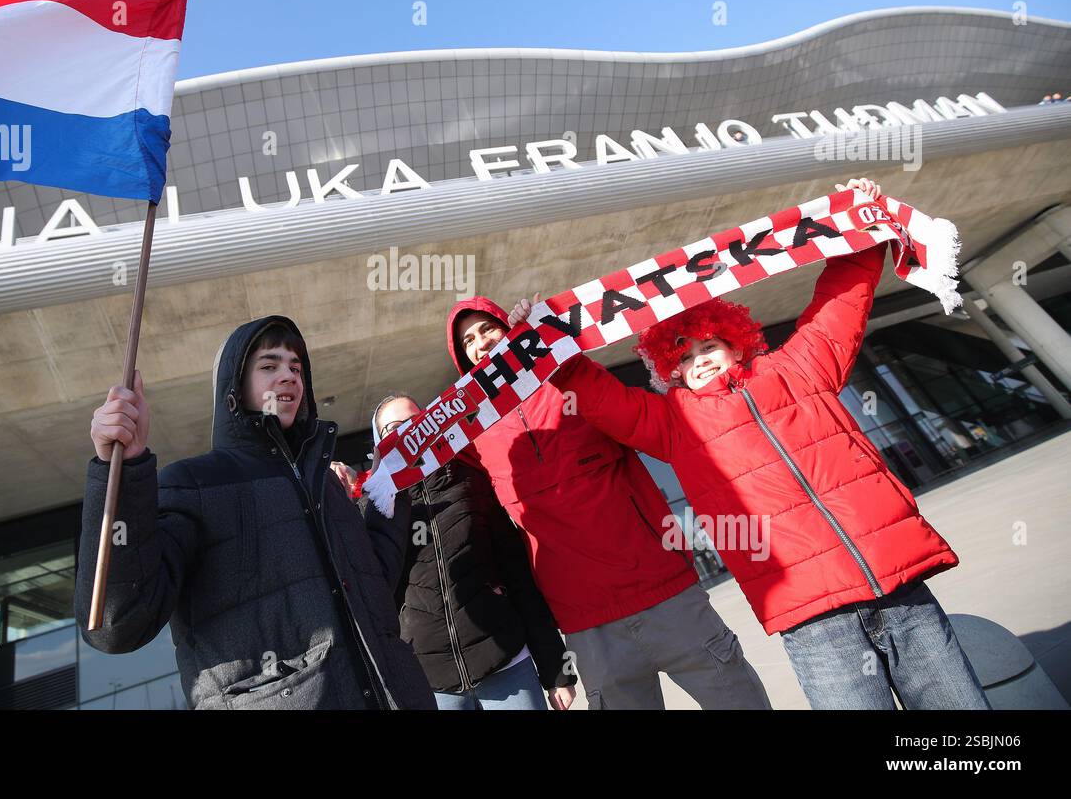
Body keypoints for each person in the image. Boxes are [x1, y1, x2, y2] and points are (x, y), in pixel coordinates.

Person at [534, 178, 990, 709]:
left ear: (735, 343)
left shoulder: (799, 368)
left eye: (708, 346)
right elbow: (594, 392)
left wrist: (857, 215)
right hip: (811, 616)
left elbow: (841, 298)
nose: (699, 359)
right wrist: (540, 342)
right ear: (668, 370)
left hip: (898, 583)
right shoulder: (671, 421)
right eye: (684, 357)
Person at [75, 315, 436, 710]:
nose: (289, 377)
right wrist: (125, 472)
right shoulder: (193, 484)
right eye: (269, 365)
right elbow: (117, 625)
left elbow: (376, 589)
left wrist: (389, 490)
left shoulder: (326, 485)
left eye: (296, 367)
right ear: (234, 386)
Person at [442, 297, 772, 709]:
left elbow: (622, 409)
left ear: (508, 330)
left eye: (487, 328)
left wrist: (542, 331)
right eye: (468, 340)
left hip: (666, 594)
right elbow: (425, 480)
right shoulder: (474, 437)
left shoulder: (570, 381)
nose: (480, 343)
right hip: (586, 625)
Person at [347, 393, 577, 710]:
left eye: (415, 422)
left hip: (506, 665)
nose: (406, 433)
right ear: (379, 446)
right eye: (393, 429)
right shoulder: (373, 512)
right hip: (432, 683)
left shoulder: (470, 481)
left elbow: (519, 575)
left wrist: (556, 670)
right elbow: (370, 597)